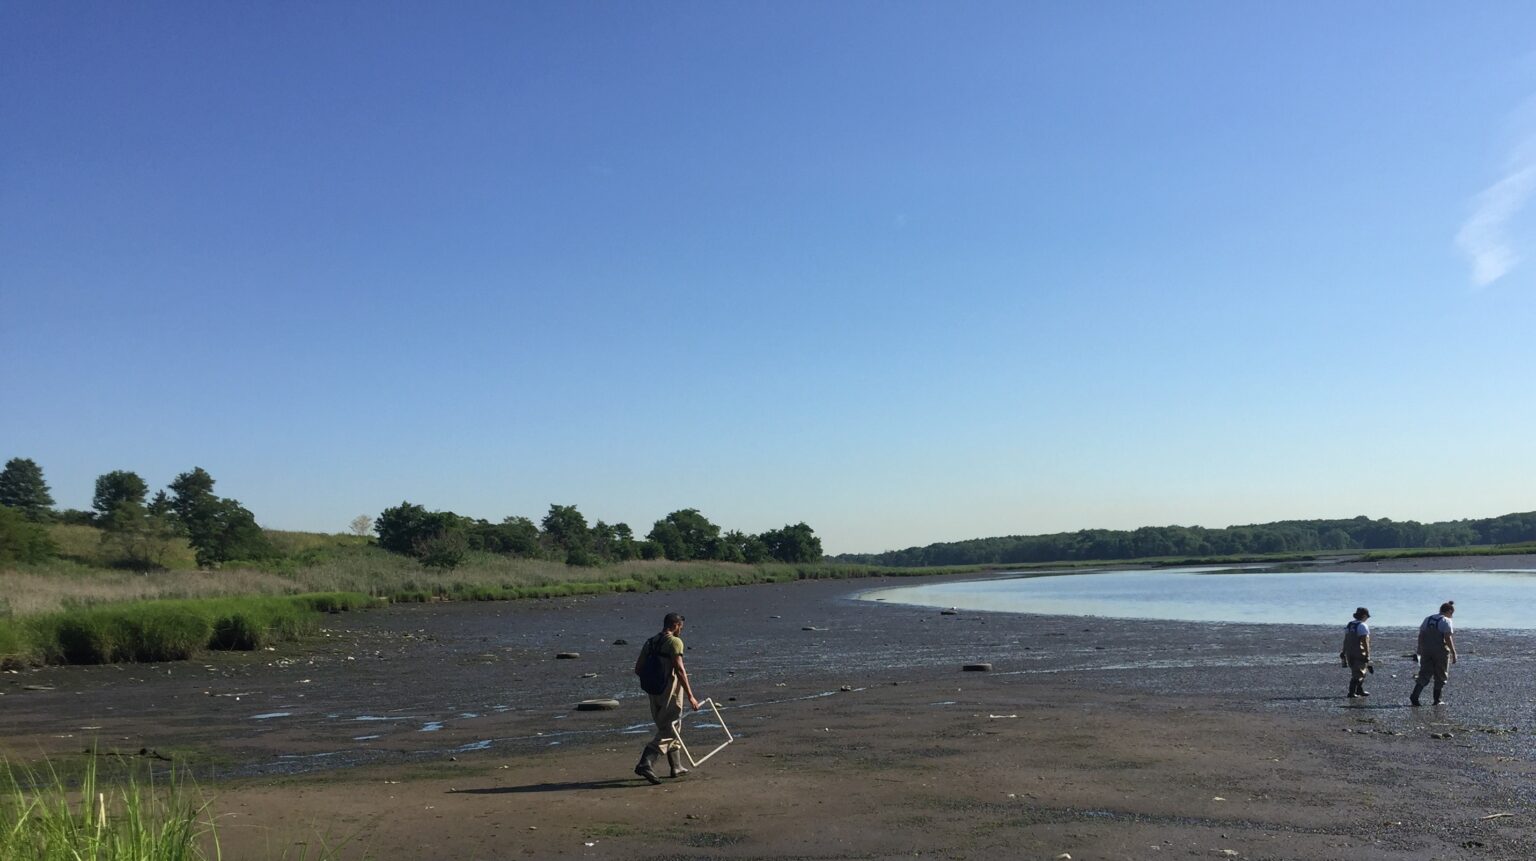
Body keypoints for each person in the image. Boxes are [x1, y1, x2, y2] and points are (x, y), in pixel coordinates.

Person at [633, 611, 701, 785]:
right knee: (670, 729)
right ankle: (646, 762)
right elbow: (679, 669)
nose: (681, 631)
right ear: (676, 625)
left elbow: (638, 668)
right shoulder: (675, 642)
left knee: (668, 726)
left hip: (653, 691)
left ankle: (676, 767)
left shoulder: (650, 642)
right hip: (669, 690)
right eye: (681, 627)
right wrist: (691, 696)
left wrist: (653, 679)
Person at [1410, 601, 1457, 706]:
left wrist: (1419, 649)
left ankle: (1415, 695)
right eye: (1452, 613)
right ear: (1449, 611)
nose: (1452, 616)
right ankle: (1437, 699)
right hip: (1440, 651)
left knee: (1424, 674)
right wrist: (1453, 652)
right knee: (1440, 675)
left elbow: (1421, 635)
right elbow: (1447, 638)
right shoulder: (1446, 621)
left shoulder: (1428, 619)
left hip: (1426, 650)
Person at [1340, 606, 1372, 698]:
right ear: (1364, 616)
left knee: (1356, 671)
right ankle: (1351, 692)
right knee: (1360, 672)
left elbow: (1346, 639)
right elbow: (1365, 642)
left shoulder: (1350, 624)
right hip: (1359, 651)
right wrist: (1367, 654)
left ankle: (1359, 689)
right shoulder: (1362, 625)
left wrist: (1343, 651)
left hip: (1349, 652)